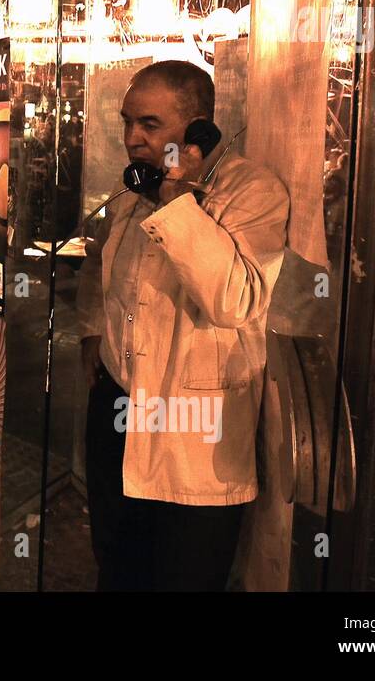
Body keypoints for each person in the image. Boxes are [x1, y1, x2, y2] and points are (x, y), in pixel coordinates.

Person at [75, 61, 289, 590]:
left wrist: (178, 202)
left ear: (199, 128)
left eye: (149, 124)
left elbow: (235, 300)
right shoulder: (133, 195)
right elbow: (101, 272)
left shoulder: (252, 192)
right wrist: (92, 338)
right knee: (116, 565)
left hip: (193, 433)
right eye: (126, 122)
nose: (131, 139)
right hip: (117, 408)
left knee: (183, 574)